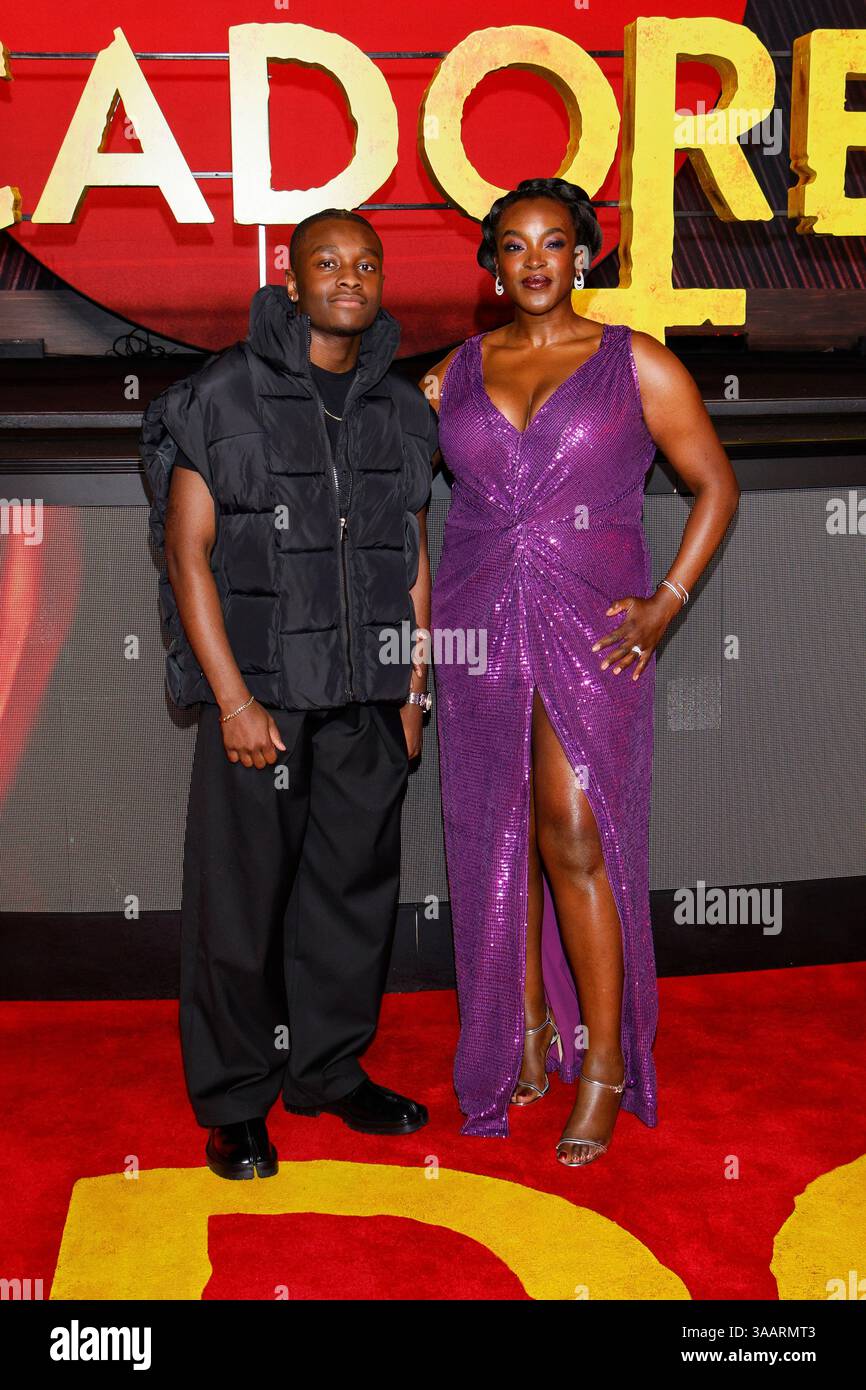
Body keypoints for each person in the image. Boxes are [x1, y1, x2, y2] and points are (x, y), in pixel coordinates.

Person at [423, 177, 739, 1164]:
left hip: (592, 628)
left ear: (583, 256)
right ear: (492, 264)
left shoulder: (634, 362)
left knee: (571, 828)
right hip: (476, 622)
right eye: (513, 245)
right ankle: (521, 1029)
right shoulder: (452, 374)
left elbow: (713, 483)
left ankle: (604, 1060)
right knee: (495, 828)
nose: (533, 260)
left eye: (552, 242)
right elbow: (399, 496)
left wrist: (666, 604)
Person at [139, 209, 438, 1180]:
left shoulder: (400, 407)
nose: (349, 276)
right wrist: (231, 700)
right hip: (262, 701)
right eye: (328, 262)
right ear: (291, 276)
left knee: (351, 899)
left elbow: (411, 552)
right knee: (238, 908)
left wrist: (414, 684)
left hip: (368, 697)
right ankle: (234, 1103)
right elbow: (187, 553)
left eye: (365, 263)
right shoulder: (223, 393)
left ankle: (328, 1072)